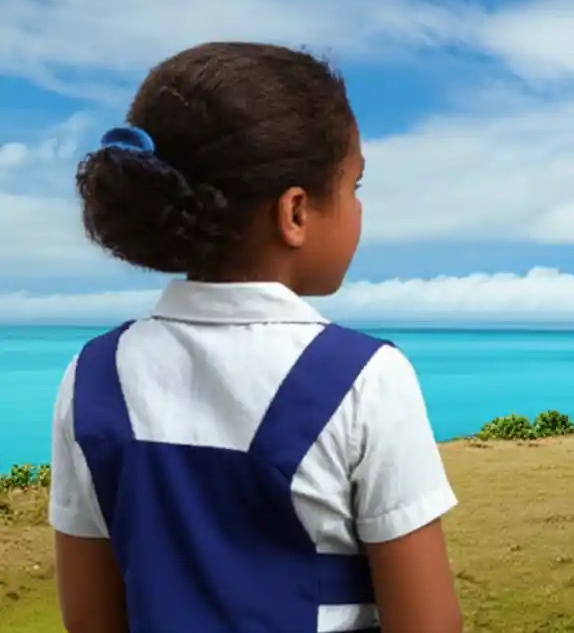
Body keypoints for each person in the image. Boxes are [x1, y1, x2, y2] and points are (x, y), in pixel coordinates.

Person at [49, 42, 463, 633]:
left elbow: (90, 618)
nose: (359, 208)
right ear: (295, 213)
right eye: (354, 185)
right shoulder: (365, 380)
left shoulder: (92, 378)